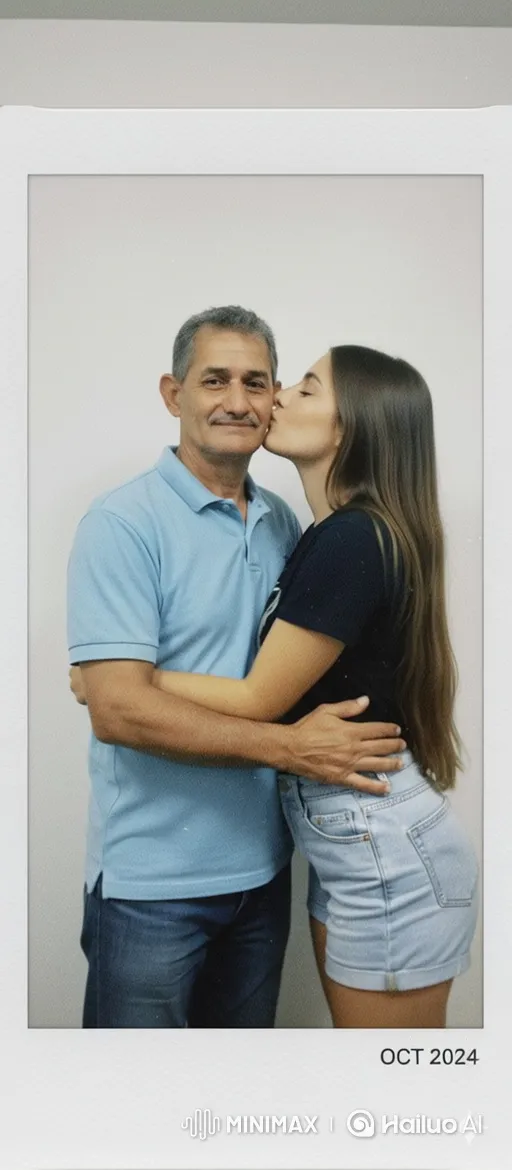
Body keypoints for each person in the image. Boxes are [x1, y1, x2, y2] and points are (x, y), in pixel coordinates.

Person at [67, 307, 404, 1029]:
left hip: (263, 874)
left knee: (237, 1088)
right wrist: (289, 749)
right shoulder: (122, 523)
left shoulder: (285, 522)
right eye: (214, 380)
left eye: (256, 382)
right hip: (152, 888)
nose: (237, 401)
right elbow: (118, 712)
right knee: (130, 1097)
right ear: (173, 394)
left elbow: (273, 684)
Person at [148, 343, 479, 1029]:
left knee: (395, 1084)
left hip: (380, 844)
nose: (277, 396)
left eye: (306, 387)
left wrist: (132, 679)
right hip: (356, 840)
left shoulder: (353, 538)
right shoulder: (331, 533)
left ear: (350, 425)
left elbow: (258, 701)